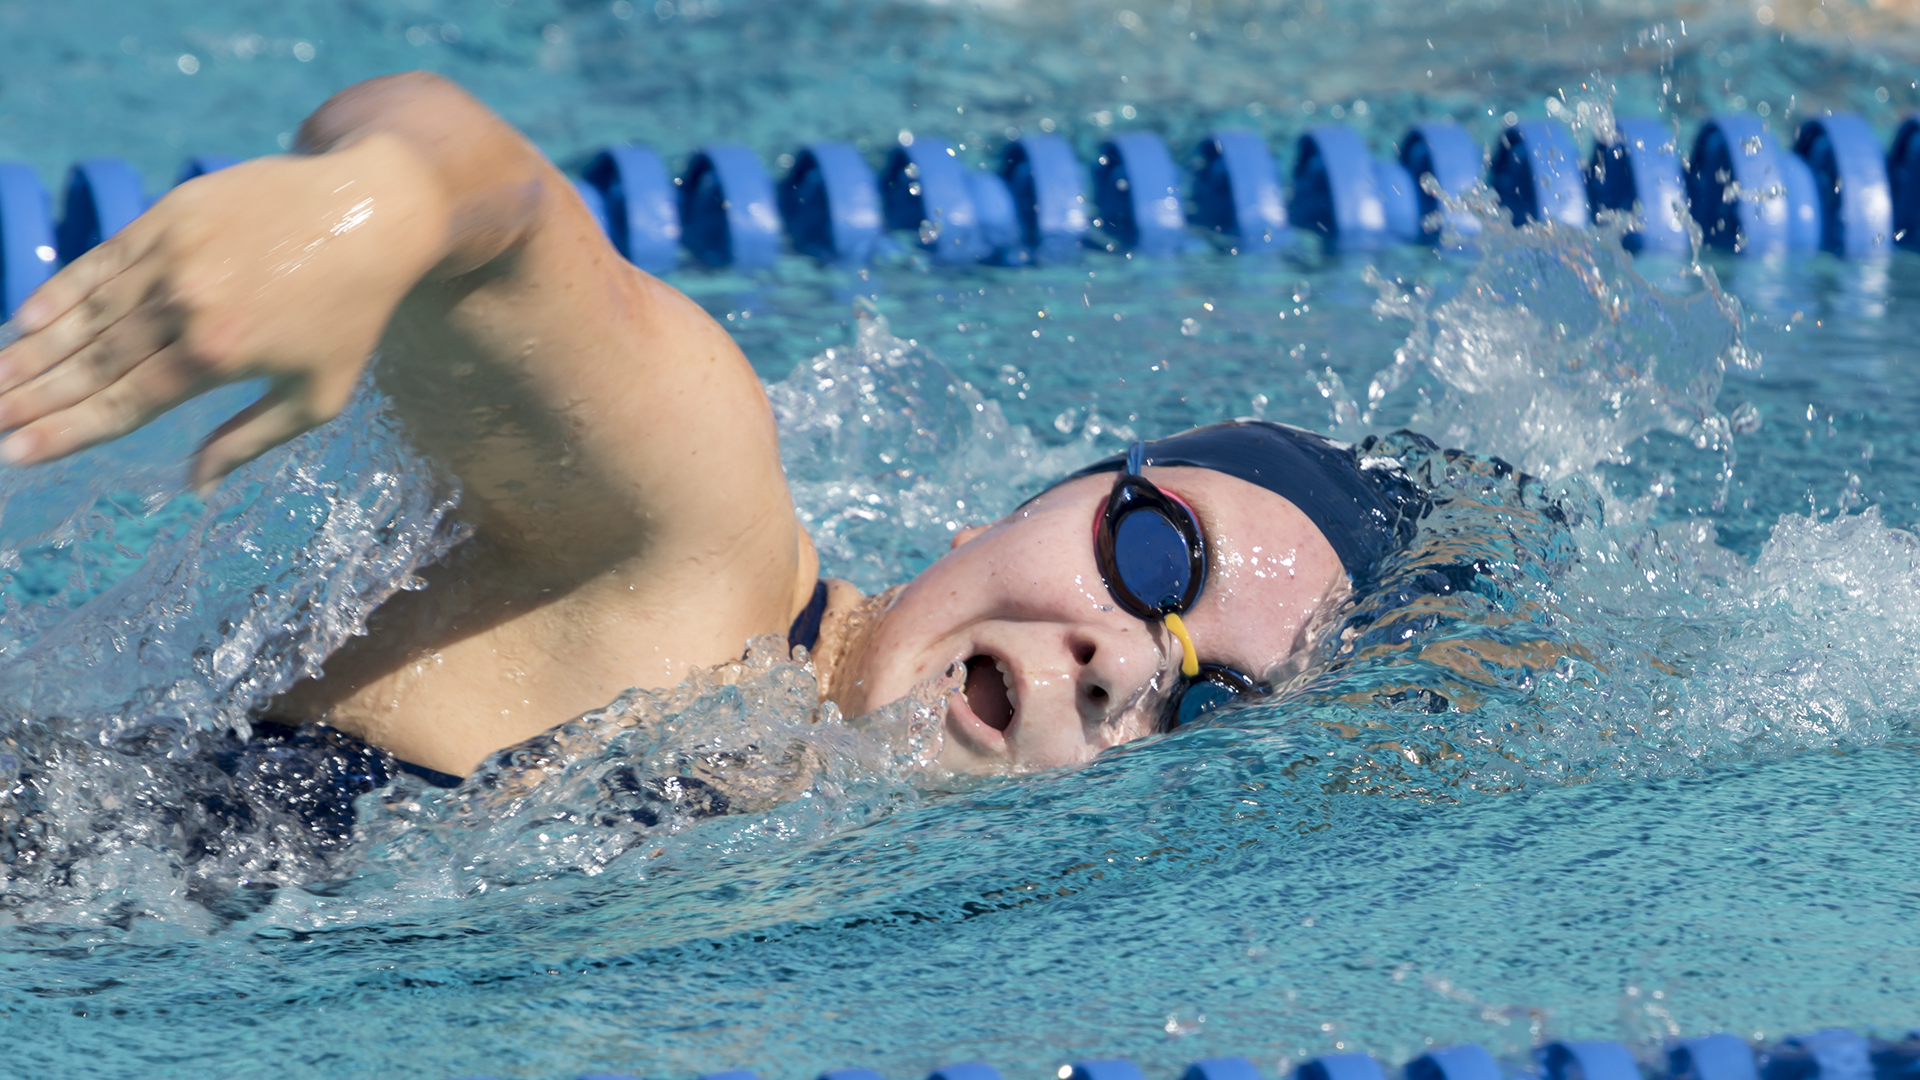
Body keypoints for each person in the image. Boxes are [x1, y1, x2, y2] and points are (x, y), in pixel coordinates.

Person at [0, 73, 1421, 784]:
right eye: (1160, 559)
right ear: (1022, 505)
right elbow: (485, 195)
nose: (1123, 663)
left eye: (1208, 702)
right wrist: (366, 213)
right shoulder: (692, 556)